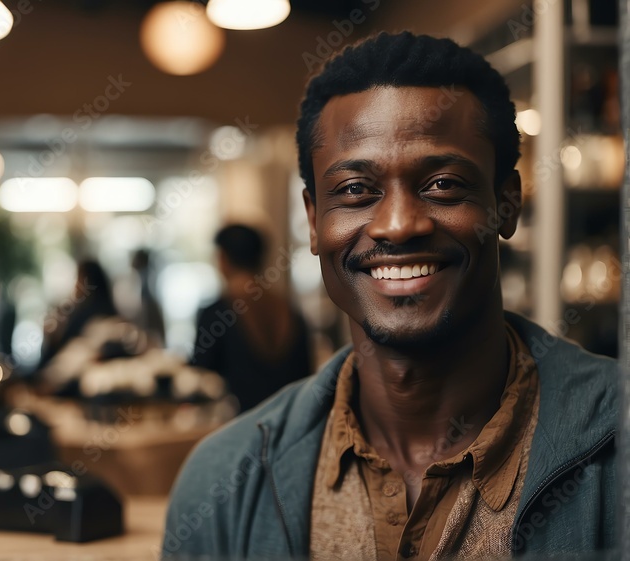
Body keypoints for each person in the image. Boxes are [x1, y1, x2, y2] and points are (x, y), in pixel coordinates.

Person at [163, 31, 619, 560]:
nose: (399, 225)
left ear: (507, 203)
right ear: (314, 222)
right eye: (356, 190)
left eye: (444, 184)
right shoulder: (223, 482)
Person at [191, 224, 314, 412]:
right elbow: (306, 374)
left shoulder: (216, 312)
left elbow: (201, 374)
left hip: (238, 427)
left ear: (222, 258)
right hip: (290, 422)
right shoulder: (289, 310)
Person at [39, 260, 119, 368]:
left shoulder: (85, 314)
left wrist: (53, 337)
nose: (75, 285)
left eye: (78, 278)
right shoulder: (107, 310)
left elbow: (61, 350)